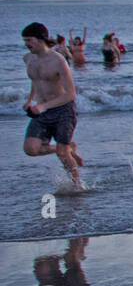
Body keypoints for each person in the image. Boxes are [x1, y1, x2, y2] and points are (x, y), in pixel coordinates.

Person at [21, 22, 84, 189]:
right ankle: (69, 147)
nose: (26, 44)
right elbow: (36, 81)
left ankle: (78, 186)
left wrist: (42, 107)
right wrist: (29, 100)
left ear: (41, 39)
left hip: (63, 110)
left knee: (63, 154)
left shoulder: (58, 61)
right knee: (31, 149)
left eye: (29, 40)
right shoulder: (28, 58)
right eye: (24, 40)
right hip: (42, 110)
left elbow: (70, 94)